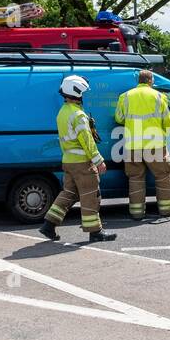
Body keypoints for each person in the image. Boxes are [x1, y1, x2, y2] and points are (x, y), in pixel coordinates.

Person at [39, 75, 117, 243]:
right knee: (91, 195)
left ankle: (49, 225)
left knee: (68, 194)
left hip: (68, 161)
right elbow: (87, 140)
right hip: (82, 163)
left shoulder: (62, 112)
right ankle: (95, 232)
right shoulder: (78, 115)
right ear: (78, 92)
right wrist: (98, 160)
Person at [114, 70, 170, 221]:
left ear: (139, 81)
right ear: (150, 80)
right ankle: (166, 210)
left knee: (135, 178)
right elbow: (167, 122)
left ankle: (137, 213)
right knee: (163, 176)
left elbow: (119, 118)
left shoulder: (125, 96)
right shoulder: (159, 96)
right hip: (155, 144)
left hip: (132, 145)